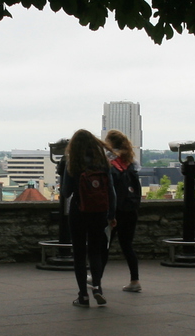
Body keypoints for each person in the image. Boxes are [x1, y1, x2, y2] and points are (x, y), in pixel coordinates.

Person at [60, 128, 117, 307]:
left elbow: (66, 192)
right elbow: (111, 191)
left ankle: (83, 296)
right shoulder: (102, 162)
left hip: (79, 210)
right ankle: (97, 287)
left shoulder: (73, 163)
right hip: (99, 211)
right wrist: (111, 214)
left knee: (79, 254)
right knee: (95, 251)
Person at [104, 129, 143, 292]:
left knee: (104, 244)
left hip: (116, 210)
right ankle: (135, 280)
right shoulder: (131, 163)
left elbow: (109, 190)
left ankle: (96, 276)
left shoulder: (110, 161)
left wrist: (110, 213)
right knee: (127, 245)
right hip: (131, 209)